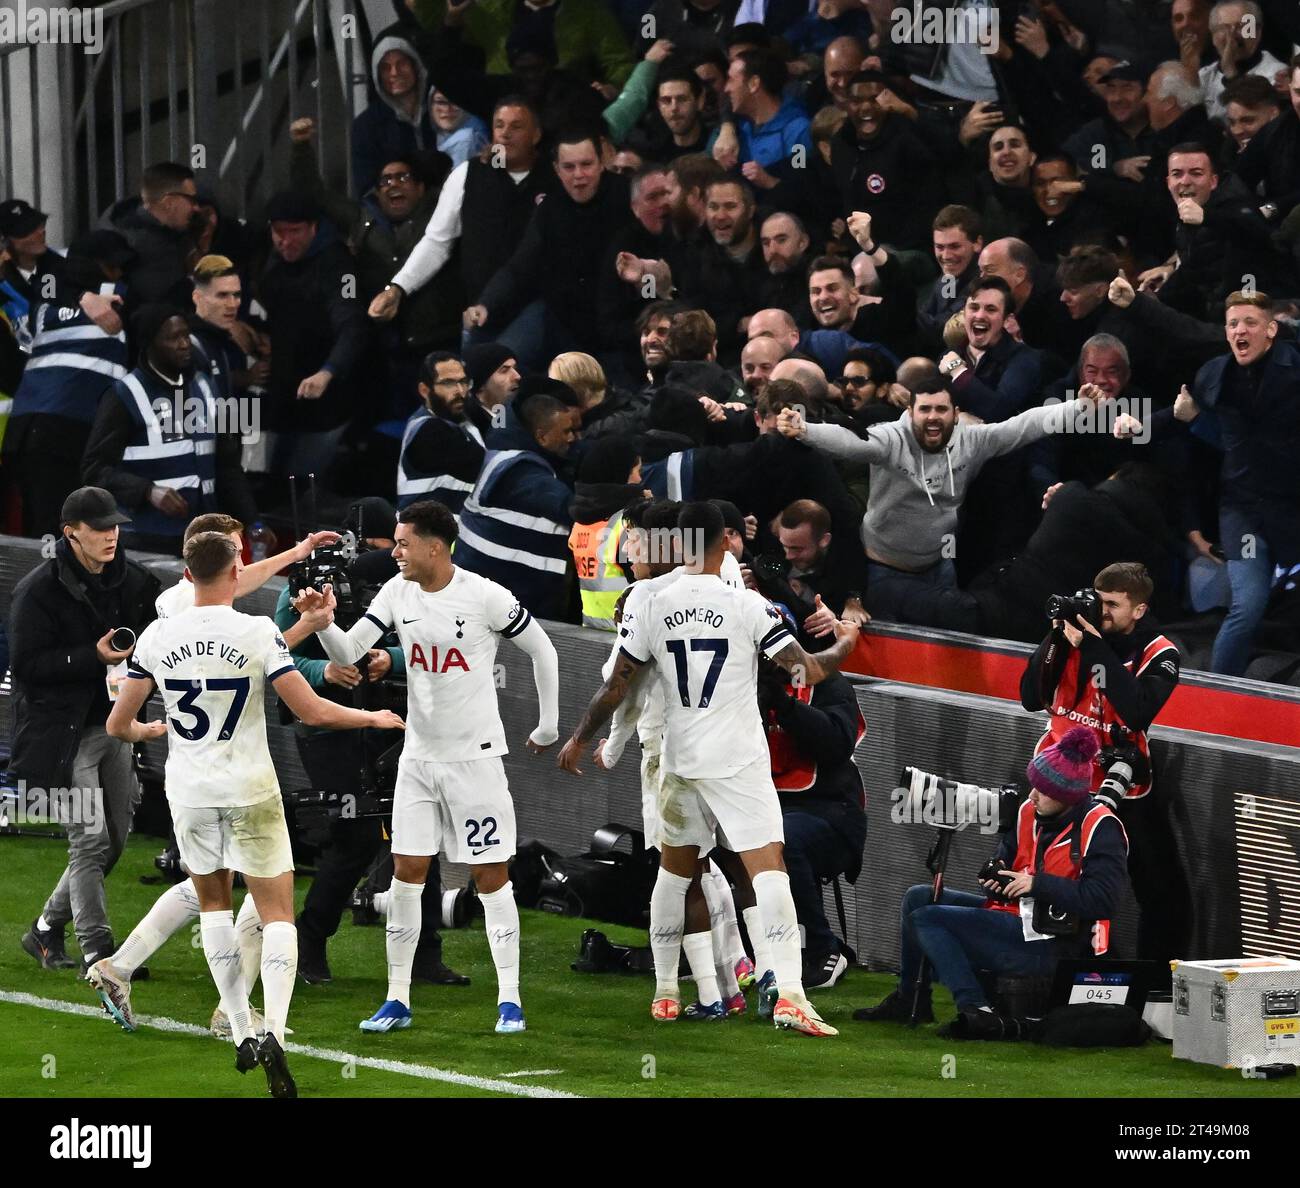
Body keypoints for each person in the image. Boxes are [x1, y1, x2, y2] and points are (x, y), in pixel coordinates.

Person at [99, 530, 404, 1096]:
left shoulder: (158, 635)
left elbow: (119, 724)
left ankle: (239, 1026)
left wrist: (146, 730)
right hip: (251, 789)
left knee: (213, 906)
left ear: (185, 573)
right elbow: (310, 710)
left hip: (189, 791)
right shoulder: (258, 630)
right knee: (277, 913)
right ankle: (277, 1033)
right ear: (237, 569)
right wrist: (374, 719)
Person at [558, 501, 860, 1036]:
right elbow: (806, 670)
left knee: (675, 875)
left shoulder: (649, 603)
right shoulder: (747, 607)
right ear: (723, 542)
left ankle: (667, 991)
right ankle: (787, 989)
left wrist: (581, 738)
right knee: (768, 869)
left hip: (678, 757)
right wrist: (846, 641)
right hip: (737, 759)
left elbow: (617, 687)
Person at [293, 499, 560, 1035]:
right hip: (417, 758)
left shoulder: (484, 595)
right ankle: (397, 997)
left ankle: (510, 999)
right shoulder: (397, 592)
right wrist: (320, 623)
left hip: (475, 760)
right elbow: (348, 651)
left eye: (403, 543)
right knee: (407, 875)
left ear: (434, 547)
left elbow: (543, 649)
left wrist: (548, 724)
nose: (395, 552)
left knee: (491, 877)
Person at [855, 727, 1130, 1038]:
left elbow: (1104, 900)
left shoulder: (1101, 828)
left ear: (1067, 797)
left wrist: (1035, 884)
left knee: (928, 919)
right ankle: (910, 998)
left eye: (1043, 790)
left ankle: (977, 1010)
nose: (1032, 795)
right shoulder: (1029, 811)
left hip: (1053, 943)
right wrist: (994, 878)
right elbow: (1003, 860)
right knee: (918, 897)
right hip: (1014, 920)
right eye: (1033, 785)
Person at [777, 379, 1097, 618]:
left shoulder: (972, 440)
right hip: (883, 571)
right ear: (909, 412)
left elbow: (1023, 426)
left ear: (955, 414)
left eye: (941, 409)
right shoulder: (890, 439)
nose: (933, 417)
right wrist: (805, 430)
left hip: (940, 566)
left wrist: (1077, 407)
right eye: (925, 409)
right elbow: (850, 444)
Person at [12, 487, 159, 974]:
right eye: (99, 527)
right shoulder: (38, 590)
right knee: (89, 843)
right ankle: (101, 951)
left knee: (114, 841)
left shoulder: (135, 582)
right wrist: (90, 658)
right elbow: (27, 668)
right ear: (70, 532)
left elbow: (160, 633)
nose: (111, 535)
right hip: (65, 733)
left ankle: (47, 929)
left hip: (116, 726)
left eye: (115, 525)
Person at [1020, 562, 1187, 964]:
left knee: (1161, 893)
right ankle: (1042, 979)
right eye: (1100, 601)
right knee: (1050, 880)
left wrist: (1092, 645)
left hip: (1123, 785)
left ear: (1139, 610)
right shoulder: (1073, 632)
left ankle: (1152, 991)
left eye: (1113, 604)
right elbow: (1030, 697)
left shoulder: (1159, 652)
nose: (1103, 611)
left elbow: (1136, 712)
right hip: (1060, 781)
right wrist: (1056, 637)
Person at [1183, 290, 1300, 676]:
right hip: (1244, 512)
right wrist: (1139, 425)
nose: (1239, 330)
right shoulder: (1216, 375)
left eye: (1250, 322)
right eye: (1233, 323)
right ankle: (1215, 698)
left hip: (1292, 507)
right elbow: (1183, 418)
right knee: (1247, 605)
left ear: (1271, 330)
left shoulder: (1293, 367)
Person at [81, 304, 256, 556]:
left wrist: (251, 520)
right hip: (144, 539)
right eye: (173, 338)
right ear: (150, 343)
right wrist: (147, 491)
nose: (185, 344)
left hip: (202, 539)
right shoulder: (125, 395)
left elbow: (226, 465)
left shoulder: (206, 387)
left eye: (186, 335)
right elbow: (94, 469)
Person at [369, 98, 549, 334]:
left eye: (516, 127)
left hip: (545, 312)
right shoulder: (467, 174)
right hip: (481, 316)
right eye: (499, 125)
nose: (505, 134)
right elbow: (437, 242)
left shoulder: (556, 175)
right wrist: (398, 287)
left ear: (536, 135)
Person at [465, 129, 632, 367]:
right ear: (556, 169)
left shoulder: (627, 198)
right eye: (569, 167)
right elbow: (520, 266)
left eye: (586, 164)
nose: (579, 175)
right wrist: (486, 303)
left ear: (602, 163)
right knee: (494, 363)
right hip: (559, 316)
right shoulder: (550, 209)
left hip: (617, 320)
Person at [4, 230, 132, 538]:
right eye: (115, 266)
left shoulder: (44, 301)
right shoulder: (117, 296)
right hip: (70, 427)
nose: (121, 272)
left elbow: (41, 281)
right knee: (68, 532)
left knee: (38, 529)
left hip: (23, 432)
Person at [757, 644, 865, 990]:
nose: (772, 664)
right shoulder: (737, 683)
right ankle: (732, 950)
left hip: (830, 811)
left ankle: (824, 949)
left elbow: (836, 743)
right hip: (765, 806)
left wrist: (784, 705)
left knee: (782, 839)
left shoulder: (828, 682)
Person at [255, 191, 370, 481]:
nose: (285, 240)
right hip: (284, 392)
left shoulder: (338, 265)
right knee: (273, 480)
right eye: (279, 232)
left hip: (330, 398)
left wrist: (328, 371)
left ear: (313, 228)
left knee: (304, 480)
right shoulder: (273, 260)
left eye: (294, 232)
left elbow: (352, 322)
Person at [457, 386, 582, 619]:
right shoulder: (523, 473)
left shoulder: (505, 457)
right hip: (503, 601)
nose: (572, 438)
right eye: (565, 431)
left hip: (491, 594)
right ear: (542, 436)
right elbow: (572, 508)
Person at [567, 435, 644, 627]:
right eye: (636, 471)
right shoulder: (627, 525)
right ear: (620, 476)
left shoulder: (579, 524)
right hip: (627, 640)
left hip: (590, 635)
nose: (639, 479)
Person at [396, 350, 485, 514]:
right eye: (448, 383)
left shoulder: (461, 419)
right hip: (428, 534)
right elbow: (489, 469)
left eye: (463, 382)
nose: (460, 391)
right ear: (424, 390)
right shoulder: (428, 431)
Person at [351, 31, 435, 196]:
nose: (394, 73)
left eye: (402, 63)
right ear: (377, 76)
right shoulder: (366, 126)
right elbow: (365, 186)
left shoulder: (440, 106)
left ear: (415, 66)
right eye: (385, 68)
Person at [916, 206, 984, 352]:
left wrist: (899, 304)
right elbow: (931, 316)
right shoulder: (948, 278)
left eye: (955, 246)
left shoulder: (984, 283)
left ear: (977, 243)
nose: (946, 256)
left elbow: (942, 329)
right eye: (940, 247)